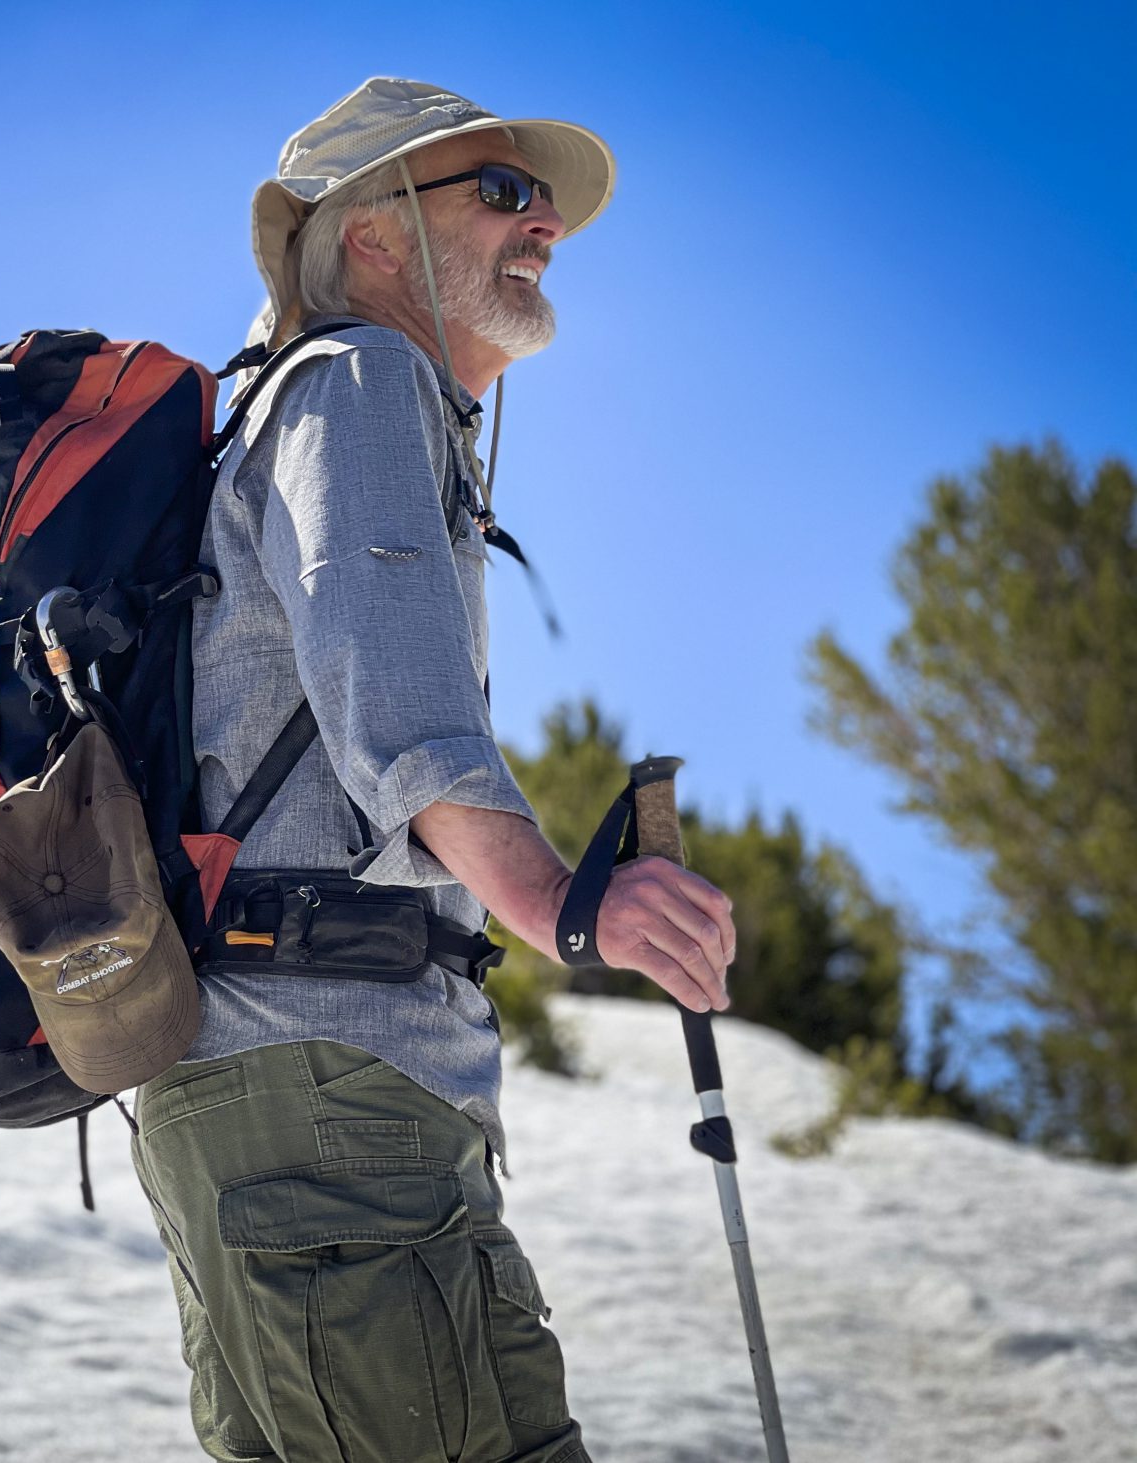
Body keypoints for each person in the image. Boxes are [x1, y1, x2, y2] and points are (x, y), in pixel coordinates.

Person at [129, 79, 738, 1462]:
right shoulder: (357, 380)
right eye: (504, 194)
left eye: (544, 203)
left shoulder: (282, 409)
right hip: (335, 1087)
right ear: (375, 234)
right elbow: (394, 701)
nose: (546, 228)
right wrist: (563, 908)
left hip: (248, 1087)